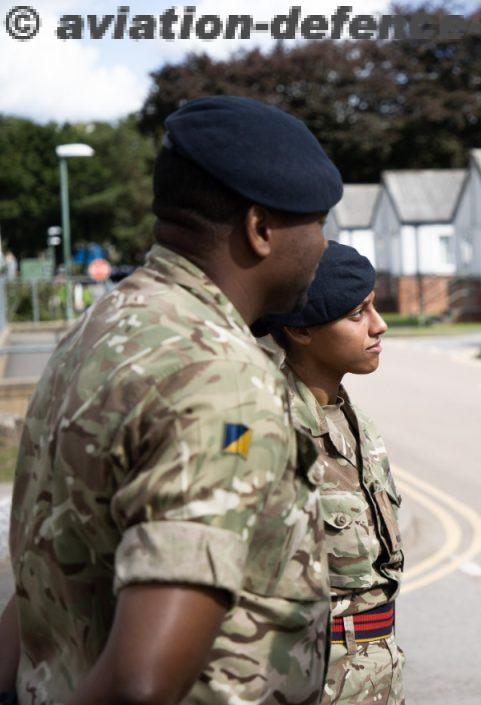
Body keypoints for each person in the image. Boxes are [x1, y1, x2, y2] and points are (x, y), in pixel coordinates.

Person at [0, 95, 341, 704]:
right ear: (261, 230)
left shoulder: (97, 332)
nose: (322, 245)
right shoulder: (221, 379)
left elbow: (35, 597)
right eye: (317, 223)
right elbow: (144, 683)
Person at [256, 242, 405, 705]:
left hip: (375, 677)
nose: (379, 325)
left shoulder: (356, 421)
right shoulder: (268, 427)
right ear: (301, 330)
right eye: (357, 313)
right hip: (307, 683)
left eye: (374, 307)